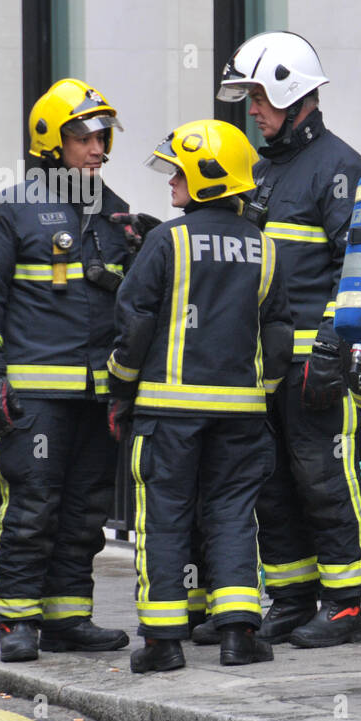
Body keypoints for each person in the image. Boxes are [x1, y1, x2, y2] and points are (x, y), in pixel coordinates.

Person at [106, 119, 293, 672]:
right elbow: (278, 334)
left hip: (169, 412)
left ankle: (164, 643)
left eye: (179, 173)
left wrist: (120, 381)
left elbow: (135, 321)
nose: (171, 184)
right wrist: (262, 391)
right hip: (240, 414)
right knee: (234, 515)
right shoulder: (264, 247)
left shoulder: (168, 240)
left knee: (163, 516)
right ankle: (238, 635)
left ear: (208, 178)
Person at [0, 78, 133, 662]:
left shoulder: (114, 213)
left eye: (103, 137)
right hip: (33, 394)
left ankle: (66, 619)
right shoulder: (10, 209)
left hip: (96, 392)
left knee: (85, 511)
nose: (98, 149)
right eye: (85, 137)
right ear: (50, 142)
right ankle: (16, 621)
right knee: (32, 507)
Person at [214, 31, 361, 648]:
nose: (252, 110)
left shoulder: (340, 167)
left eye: (258, 97)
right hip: (263, 365)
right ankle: (290, 597)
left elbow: (355, 268)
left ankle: (344, 609)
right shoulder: (259, 170)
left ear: (290, 91)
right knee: (271, 482)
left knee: (323, 480)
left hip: (315, 364)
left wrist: (333, 345)